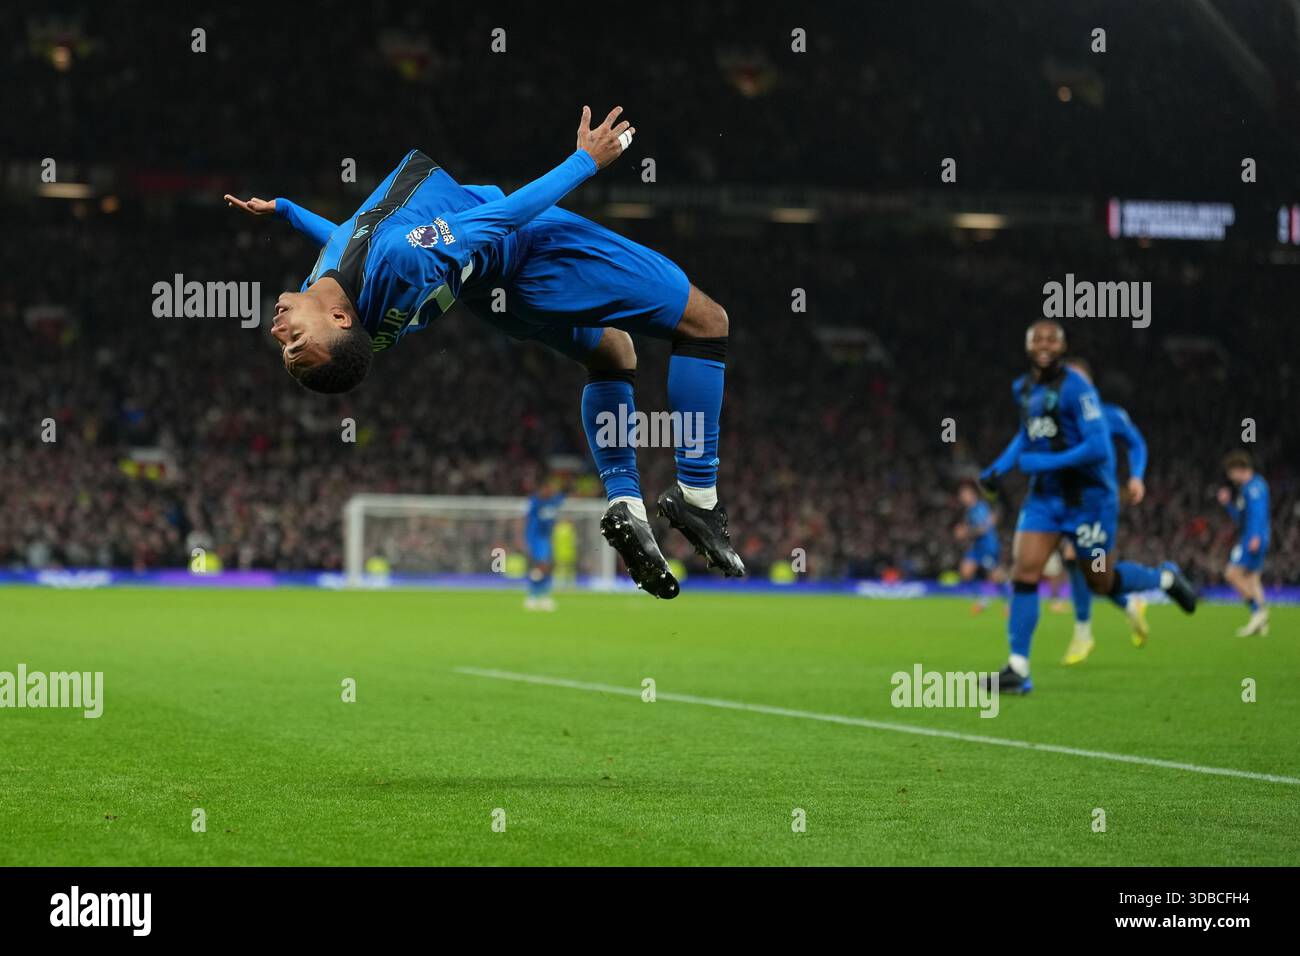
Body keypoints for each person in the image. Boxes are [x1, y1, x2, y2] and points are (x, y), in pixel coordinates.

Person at [225, 107, 744, 599]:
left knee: (611, 352)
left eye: (286, 345)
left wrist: (289, 213)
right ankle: (697, 498)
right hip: (530, 251)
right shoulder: (406, 257)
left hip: (495, 299)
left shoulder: (336, 294)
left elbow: (344, 239)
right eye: (296, 340)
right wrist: (586, 161)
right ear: (340, 320)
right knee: (706, 322)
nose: (278, 332)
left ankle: (626, 502)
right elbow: (501, 218)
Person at [977, 320, 1197, 694]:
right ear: (1027, 345)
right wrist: (998, 467)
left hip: (1090, 503)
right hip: (1046, 499)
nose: (1044, 345)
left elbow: (1098, 447)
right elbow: (1026, 434)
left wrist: (1043, 464)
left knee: (1101, 580)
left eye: (1052, 339)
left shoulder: (1081, 393)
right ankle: (1018, 668)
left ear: (1062, 347)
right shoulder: (1024, 388)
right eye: (1037, 339)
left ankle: (1164, 579)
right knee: (1024, 571)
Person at [1218, 451, 1270, 636]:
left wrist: (1255, 536)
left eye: (1231, 473)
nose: (1231, 478)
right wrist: (1227, 504)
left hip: (1253, 537)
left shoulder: (1253, 487)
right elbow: (1240, 518)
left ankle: (1257, 612)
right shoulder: (1250, 487)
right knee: (1252, 579)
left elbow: (1258, 513)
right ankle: (1262, 625)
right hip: (1255, 535)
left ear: (1239, 469)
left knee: (1231, 574)